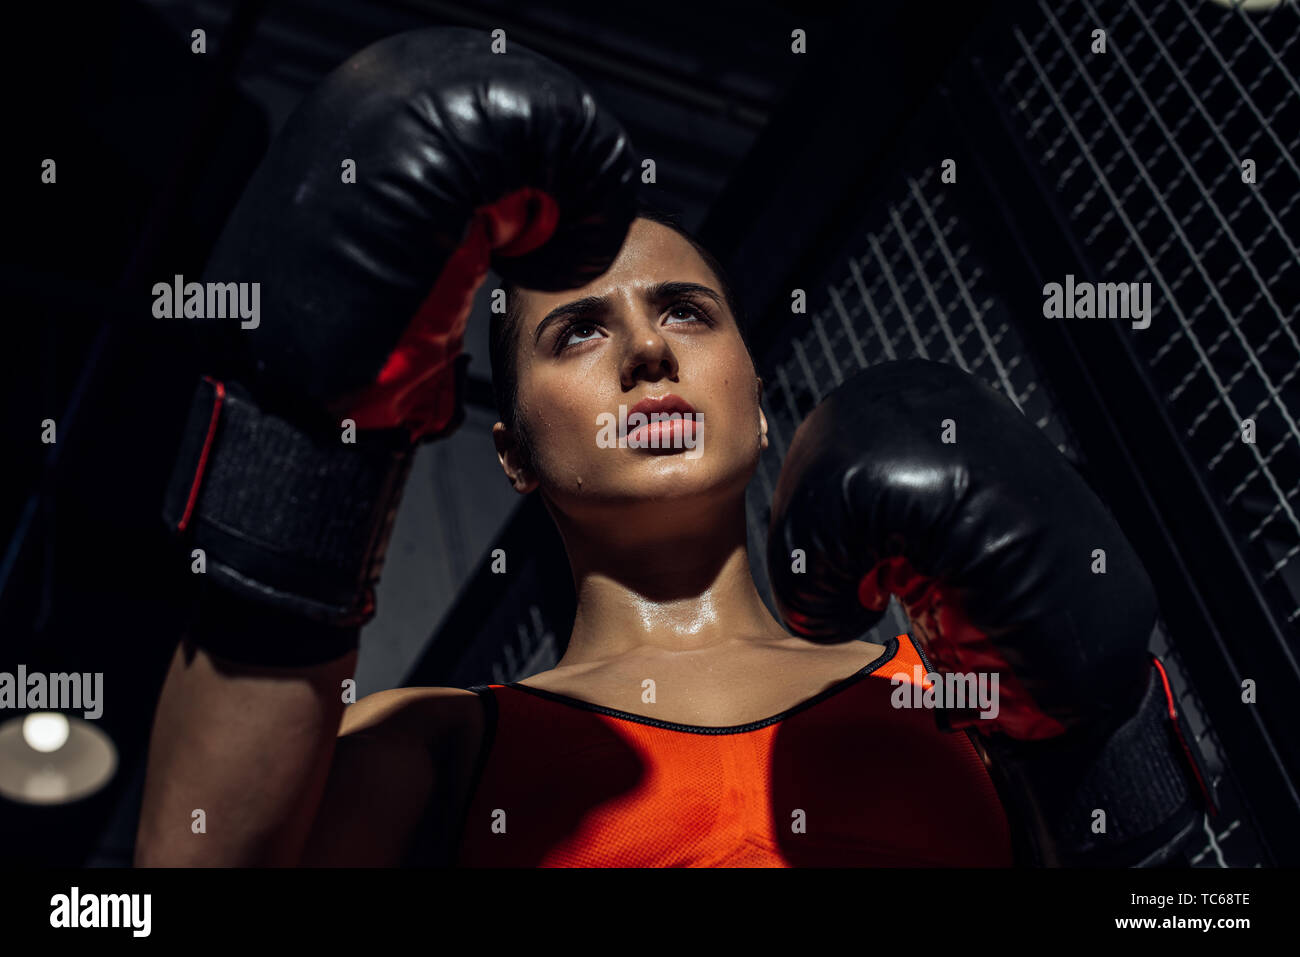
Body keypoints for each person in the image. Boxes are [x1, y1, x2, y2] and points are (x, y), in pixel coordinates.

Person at [135, 27, 1208, 868]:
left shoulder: (953, 688)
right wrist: (309, 440)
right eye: (579, 331)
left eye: (689, 312)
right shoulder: (444, 743)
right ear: (510, 450)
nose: (647, 348)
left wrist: (1092, 745)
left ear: (750, 387)